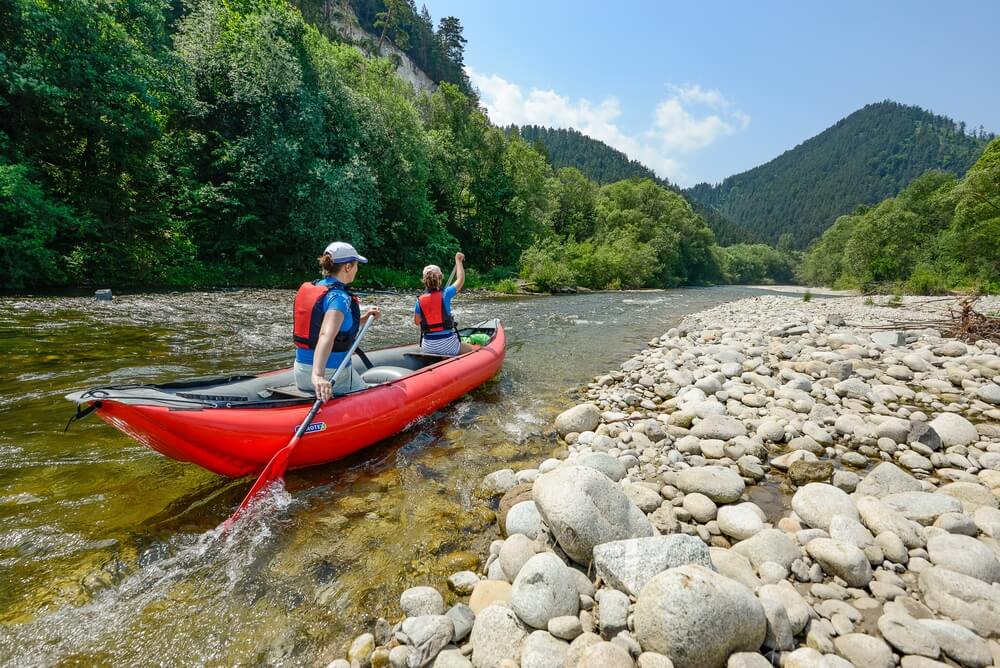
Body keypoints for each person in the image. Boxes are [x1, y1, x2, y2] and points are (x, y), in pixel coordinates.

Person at [293, 241, 380, 401]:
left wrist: (364, 319)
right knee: (375, 398)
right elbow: (326, 334)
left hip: (300, 372)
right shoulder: (339, 297)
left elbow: (331, 326)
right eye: (356, 265)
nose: (357, 269)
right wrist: (318, 376)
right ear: (347, 267)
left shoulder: (319, 288)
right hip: (331, 375)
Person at [413, 252, 474, 356]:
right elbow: (461, 279)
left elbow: (417, 322)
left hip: (427, 346)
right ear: (440, 278)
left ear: (424, 280)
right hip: (447, 344)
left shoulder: (419, 301)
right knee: (471, 350)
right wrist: (458, 261)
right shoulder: (446, 293)